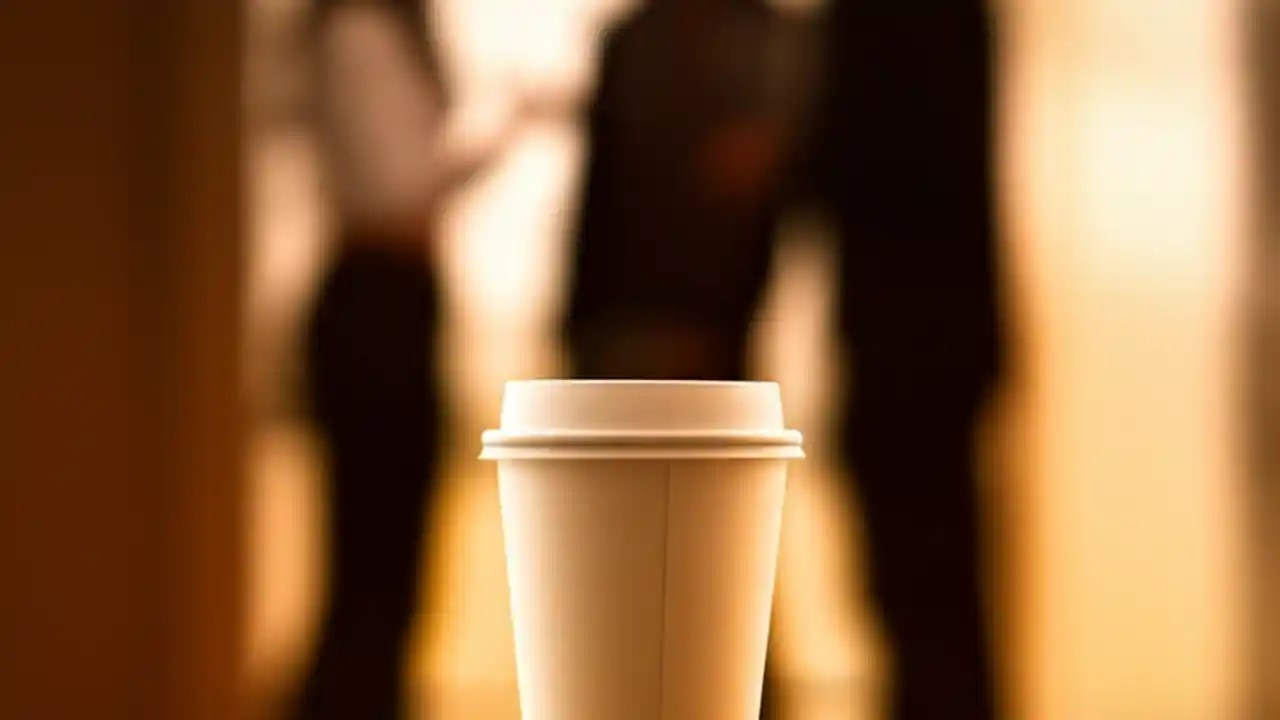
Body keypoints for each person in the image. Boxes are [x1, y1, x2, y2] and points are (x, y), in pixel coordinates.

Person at [296, 1, 529, 716]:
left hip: (389, 305)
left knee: (385, 565)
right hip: (377, 309)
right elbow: (397, 186)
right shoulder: (360, 31)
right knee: (375, 569)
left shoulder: (367, 32)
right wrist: (502, 137)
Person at [818, 1, 1005, 718]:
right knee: (935, 587)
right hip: (939, 344)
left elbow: (870, 158)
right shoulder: (956, 19)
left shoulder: (890, 24)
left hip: (903, 346)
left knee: (918, 585)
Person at [564, 0, 814, 382]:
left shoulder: (779, 44)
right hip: (625, 310)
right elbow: (600, 192)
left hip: (723, 312)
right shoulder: (634, 38)